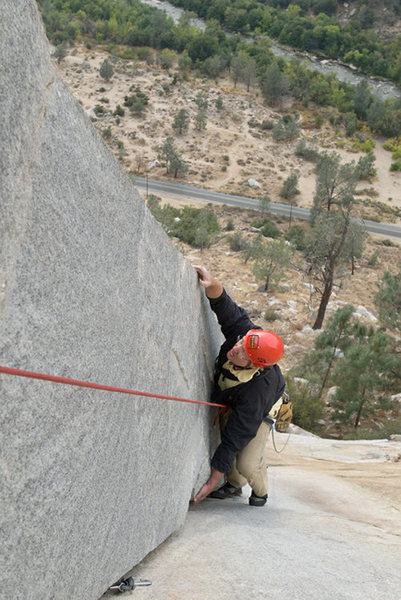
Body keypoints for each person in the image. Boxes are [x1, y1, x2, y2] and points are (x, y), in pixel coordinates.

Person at [193, 265, 285, 507]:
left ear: (255, 365)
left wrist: (212, 481)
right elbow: (226, 308)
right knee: (232, 468)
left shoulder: (258, 390)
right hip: (235, 396)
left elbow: (235, 436)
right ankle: (234, 485)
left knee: (246, 462)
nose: (236, 349)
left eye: (243, 353)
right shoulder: (248, 335)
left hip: (260, 410)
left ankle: (261, 491)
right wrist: (211, 283)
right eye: (241, 343)